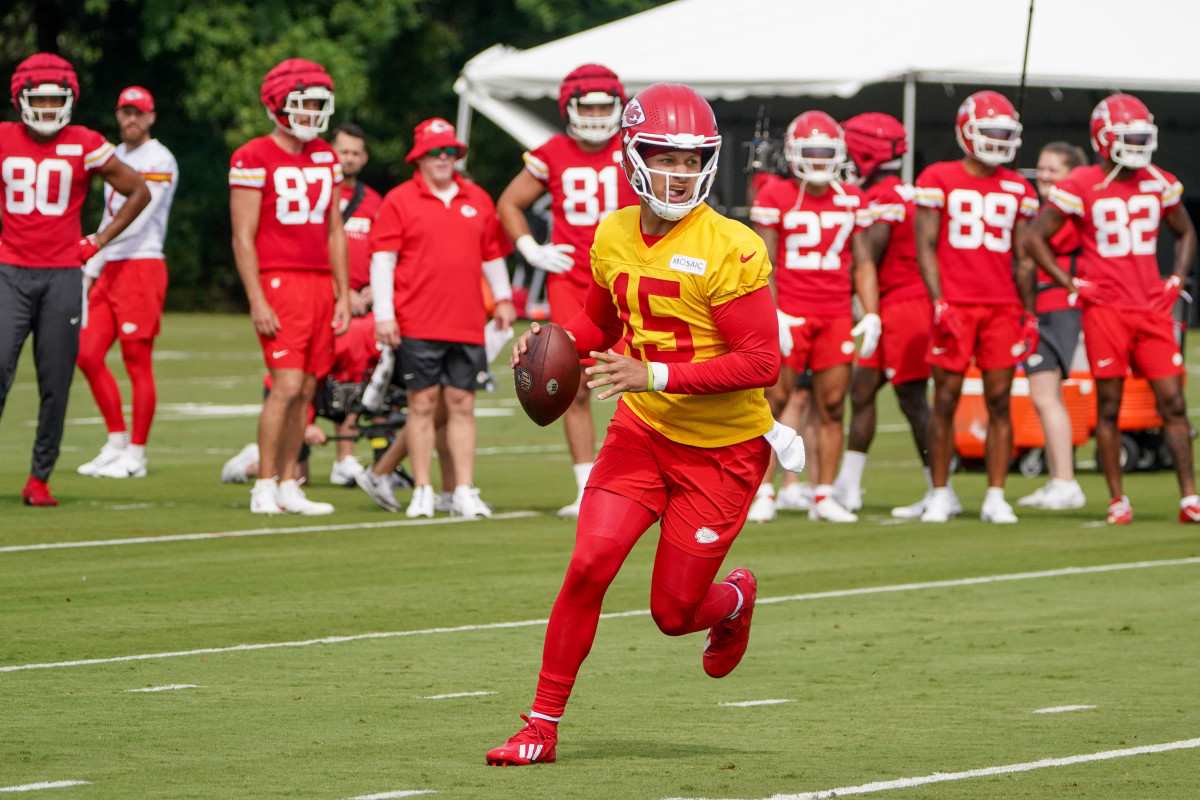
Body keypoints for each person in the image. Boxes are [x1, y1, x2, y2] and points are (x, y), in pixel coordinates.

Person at [486, 82, 804, 767]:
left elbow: (761, 364)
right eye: (664, 156)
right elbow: (598, 322)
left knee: (672, 614)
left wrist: (653, 374)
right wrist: (551, 344)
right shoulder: (612, 231)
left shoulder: (734, 247)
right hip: (641, 434)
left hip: (722, 452)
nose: (679, 173)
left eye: (693, 161)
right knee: (588, 565)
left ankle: (733, 600)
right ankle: (540, 725)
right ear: (631, 157)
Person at [1024, 93, 1200, 525]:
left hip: (1151, 308)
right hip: (1106, 309)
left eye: (1142, 135)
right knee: (1108, 404)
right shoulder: (1082, 183)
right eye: (1129, 135)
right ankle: (1117, 498)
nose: (1138, 143)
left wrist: (1175, 278)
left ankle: (1189, 497)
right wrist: (1071, 282)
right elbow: (1034, 237)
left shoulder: (1159, 180)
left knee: (1173, 402)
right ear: (1105, 138)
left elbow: (1186, 232)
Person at [0, 53, 149, 506]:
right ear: (21, 99)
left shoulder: (85, 141)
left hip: (63, 275)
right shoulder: (4, 137)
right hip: (9, 272)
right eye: (38, 100)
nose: (46, 109)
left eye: (54, 100)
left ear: (69, 100)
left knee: (56, 380)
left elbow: (138, 190)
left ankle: (39, 477)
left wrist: (98, 239)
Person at [496, 64, 638, 517]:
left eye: (604, 106)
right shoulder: (553, 151)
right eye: (588, 106)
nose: (596, 115)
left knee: (644, 376)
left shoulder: (633, 148)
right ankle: (586, 487)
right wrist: (530, 249)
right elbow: (509, 203)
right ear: (569, 109)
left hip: (629, 279)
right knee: (571, 384)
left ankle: (645, 478)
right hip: (574, 279)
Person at [356, 117, 515, 519]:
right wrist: (385, 315)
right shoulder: (399, 200)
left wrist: (504, 298)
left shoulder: (477, 197)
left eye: (450, 151)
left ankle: (462, 489)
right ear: (420, 157)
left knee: (462, 405)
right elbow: (382, 261)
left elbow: (492, 253)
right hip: (418, 320)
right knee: (422, 405)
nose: (443, 158)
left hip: (466, 321)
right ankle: (423, 489)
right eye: (435, 152)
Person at [229, 57, 350, 515]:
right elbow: (242, 236)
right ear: (278, 105)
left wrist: (341, 293)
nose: (313, 113)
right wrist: (256, 296)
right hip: (279, 281)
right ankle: (263, 483)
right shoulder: (252, 155)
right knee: (285, 385)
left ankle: (288, 482)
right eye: (304, 104)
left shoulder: (325, 154)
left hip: (320, 282)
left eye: (320, 103)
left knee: (306, 389)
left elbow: (335, 229)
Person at [913, 90, 1039, 524]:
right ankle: (940, 491)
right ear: (966, 131)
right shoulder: (938, 177)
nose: (998, 139)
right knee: (944, 399)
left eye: (1005, 132)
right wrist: (938, 299)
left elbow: (1024, 258)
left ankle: (996, 494)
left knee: (1000, 401)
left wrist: (1030, 310)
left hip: (1001, 305)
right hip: (957, 303)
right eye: (989, 131)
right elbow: (925, 246)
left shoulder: (1019, 185)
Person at [749, 110, 877, 523]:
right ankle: (764, 490)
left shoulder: (852, 198)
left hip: (836, 312)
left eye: (826, 153)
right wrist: (773, 314)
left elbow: (862, 261)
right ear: (792, 153)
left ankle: (823, 494)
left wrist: (871, 312)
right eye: (811, 152)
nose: (819, 161)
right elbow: (764, 260)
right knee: (774, 401)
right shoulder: (774, 194)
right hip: (790, 311)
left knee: (833, 405)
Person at [829, 112, 957, 519]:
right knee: (862, 392)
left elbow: (871, 254)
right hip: (888, 306)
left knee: (913, 399)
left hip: (903, 305)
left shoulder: (882, 197)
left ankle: (942, 489)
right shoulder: (894, 191)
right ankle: (848, 486)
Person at [73, 86, 178, 480]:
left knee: (138, 362)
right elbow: (110, 216)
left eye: (138, 113)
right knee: (86, 354)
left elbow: (140, 217)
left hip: (141, 264)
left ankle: (137, 452)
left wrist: (95, 247)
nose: (131, 119)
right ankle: (116, 441)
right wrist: (92, 266)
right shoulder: (115, 156)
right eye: (125, 112)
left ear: (151, 117)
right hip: (110, 264)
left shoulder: (159, 157)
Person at [1016, 142, 1089, 510]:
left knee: (1046, 395)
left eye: (1053, 170)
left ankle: (1065, 481)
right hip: (1044, 306)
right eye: (1040, 168)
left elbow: (1035, 249)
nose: (1043, 175)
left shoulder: (1065, 215)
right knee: (1043, 395)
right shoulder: (1048, 210)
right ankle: (1058, 478)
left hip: (1055, 306)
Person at [327, 122, 384, 488]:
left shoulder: (375, 201)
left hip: (366, 301)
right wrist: (340, 291)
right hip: (327, 299)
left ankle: (348, 456)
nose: (347, 158)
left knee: (365, 369)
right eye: (342, 151)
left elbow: (385, 251)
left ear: (363, 158)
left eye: (354, 153)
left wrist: (372, 292)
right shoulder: (318, 193)